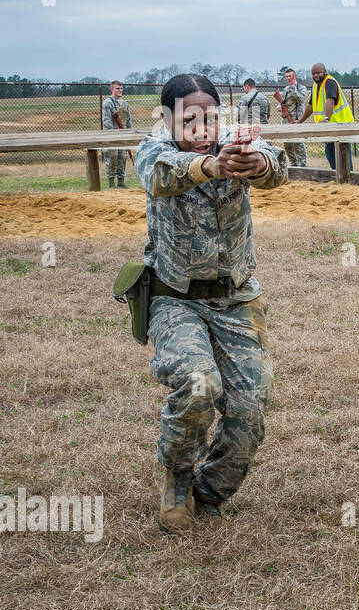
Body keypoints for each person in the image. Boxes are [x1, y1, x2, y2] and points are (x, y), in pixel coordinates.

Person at [133, 73, 289, 532]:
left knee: (250, 408)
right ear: (168, 119)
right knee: (200, 384)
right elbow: (160, 175)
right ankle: (177, 482)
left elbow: (278, 168)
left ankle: (212, 488)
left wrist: (256, 162)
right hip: (175, 298)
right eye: (190, 120)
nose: (202, 130)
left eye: (211, 118)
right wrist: (210, 167)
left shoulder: (236, 142)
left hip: (236, 298)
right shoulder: (154, 147)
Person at [297, 62, 354, 172]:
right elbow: (311, 106)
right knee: (331, 155)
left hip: (340, 125)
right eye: (313, 74)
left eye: (318, 73)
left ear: (325, 71)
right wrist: (300, 121)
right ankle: (339, 179)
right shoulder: (315, 86)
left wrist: (326, 119)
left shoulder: (330, 82)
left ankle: (349, 180)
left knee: (343, 157)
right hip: (329, 128)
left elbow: (330, 101)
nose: (315, 76)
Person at [101, 80, 133, 188]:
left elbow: (128, 119)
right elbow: (107, 122)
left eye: (121, 88)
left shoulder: (124, 103)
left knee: (122, 158)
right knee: (112, 157)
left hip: (123, 135)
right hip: (112, 135)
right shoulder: (107, 103)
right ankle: (111, 183)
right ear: (112, 89)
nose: (120, 90)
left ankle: (121, 182)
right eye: (117, 88)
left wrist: (129, 132)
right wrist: (113, 134)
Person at [276, 67, 310, 167]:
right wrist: (280, 106)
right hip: (286, 120)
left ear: (295, 76)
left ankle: (302, 165)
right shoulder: (285, 89)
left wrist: (293, 87)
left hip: (296, 120)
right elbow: (284, 102)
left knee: (298, 143)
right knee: (287, 144)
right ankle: (293, 164)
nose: (288, 78)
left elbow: (301, 98)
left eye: (290, 76)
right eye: (286, 76)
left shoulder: (301, 88)